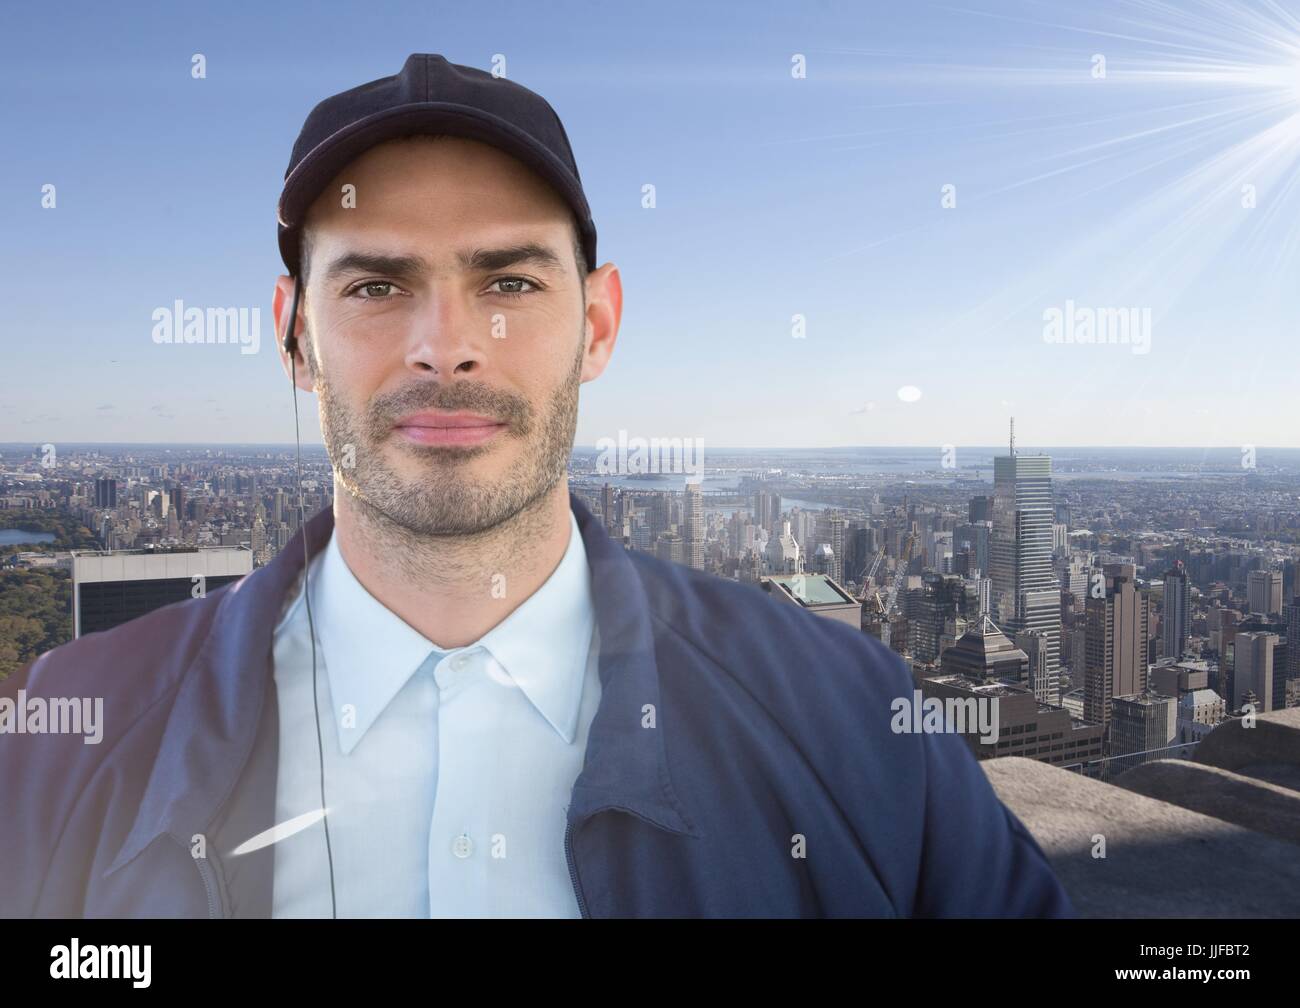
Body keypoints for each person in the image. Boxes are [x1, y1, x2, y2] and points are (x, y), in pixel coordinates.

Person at [0, 54, 1074, 919]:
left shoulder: (849, 718)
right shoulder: (68, 738)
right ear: (292, 334)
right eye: (376, 284)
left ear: (597, 323)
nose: (446, 348)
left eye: (508, 280)